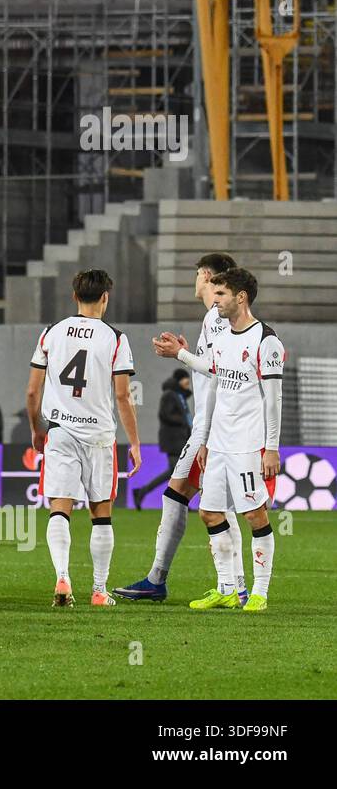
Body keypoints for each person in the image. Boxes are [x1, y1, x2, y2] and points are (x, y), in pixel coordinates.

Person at [114, 253, 247, 602]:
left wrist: (181, 356)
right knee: (198, 499)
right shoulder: (215, 320)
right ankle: (229, 586)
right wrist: (190, 356)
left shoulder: (217, 317)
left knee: (204, 502)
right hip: (213, 426)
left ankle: (230, 586)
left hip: (212, 428)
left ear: (205, 275)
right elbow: (214, 370)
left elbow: (220, 373)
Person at [25, 268, 140, 608]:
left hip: (60, 432)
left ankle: (62, 576)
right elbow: (123, 396)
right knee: (101, 513)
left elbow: (33, 391)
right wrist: (134, 442)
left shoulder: (52, 333)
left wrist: (36, 429)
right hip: (100, 436)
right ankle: (100, 590)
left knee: (60, 510)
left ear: (74, 296)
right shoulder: (115, 338)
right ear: (106, 297)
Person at [173, 268, 281, 613]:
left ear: (241, 297)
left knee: (254, 516)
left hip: (248, 445)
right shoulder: (222, 339)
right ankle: (228, 589)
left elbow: (273, 399)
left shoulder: (266, 341)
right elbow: (213, 384)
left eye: (220, 294)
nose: (214, 300)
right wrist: (204, 439)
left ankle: (260, 592)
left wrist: (272, 448)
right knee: (208, 512)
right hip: (218, 443)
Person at [130, 368, 192, 509]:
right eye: (185, 379)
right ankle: (144, 492)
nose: (188, 382)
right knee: (177, 472)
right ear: (179, 380)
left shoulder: (179, 395)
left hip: (180, 439)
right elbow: (165, 414)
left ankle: (142, 492)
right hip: (174, 440)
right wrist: (184, 421)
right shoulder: (170, 395)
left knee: (176, 471)